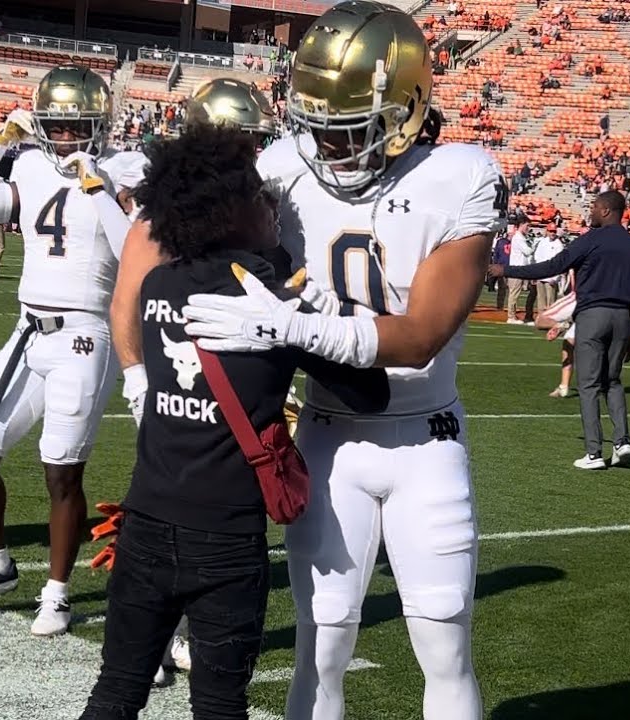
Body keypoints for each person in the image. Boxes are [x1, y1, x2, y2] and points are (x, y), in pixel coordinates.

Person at [180, 4, 508, 717]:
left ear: (405, 109)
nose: (328, 146)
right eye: (318, 126)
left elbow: (419, 336)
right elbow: (184, 236)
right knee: (320, 646)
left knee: (444, 648)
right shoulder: (282, 167)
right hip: (327, 435)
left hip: (425, 441)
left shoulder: (457, 176)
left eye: (349, 128)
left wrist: (291, 326)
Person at [79, 122, 388, 720]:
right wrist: (321, 318)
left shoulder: (159, 283)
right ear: (229, 208)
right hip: (225, 537)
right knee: (220, 707)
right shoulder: (274, 296)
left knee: (114, 694)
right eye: (256, 194)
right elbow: (369, 393)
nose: (269, 204)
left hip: (145, 522)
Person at [0, 63, 146, 637]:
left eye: (76, 126)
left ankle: (57, 594)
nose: (65, 137)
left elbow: (132, 249)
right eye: (55, 126)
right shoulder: (29, 165)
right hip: (28, 330)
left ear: (100, 124)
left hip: (85, 333)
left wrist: (97, 186)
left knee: (61, 473)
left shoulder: (123, 167)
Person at [103, 71, 282, 679]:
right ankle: (158, 633)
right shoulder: (172, 209)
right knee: (170, 505)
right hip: (177, 381)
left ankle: (182, 629)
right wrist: (137, 380)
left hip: (230, 380)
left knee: (204, 509)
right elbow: (127, 302)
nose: (252, 150)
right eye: (244, 138)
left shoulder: (249, 201)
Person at [488, 191, 630, 469]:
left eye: (594, 207)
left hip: (593, 316)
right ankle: (622, 442)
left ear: (606, 210)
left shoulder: (591, 239)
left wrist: (505, 270)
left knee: (588, 385)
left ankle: (593, 453)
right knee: (613, 381)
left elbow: (554, 266)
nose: (591, 212)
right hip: (622, 319)